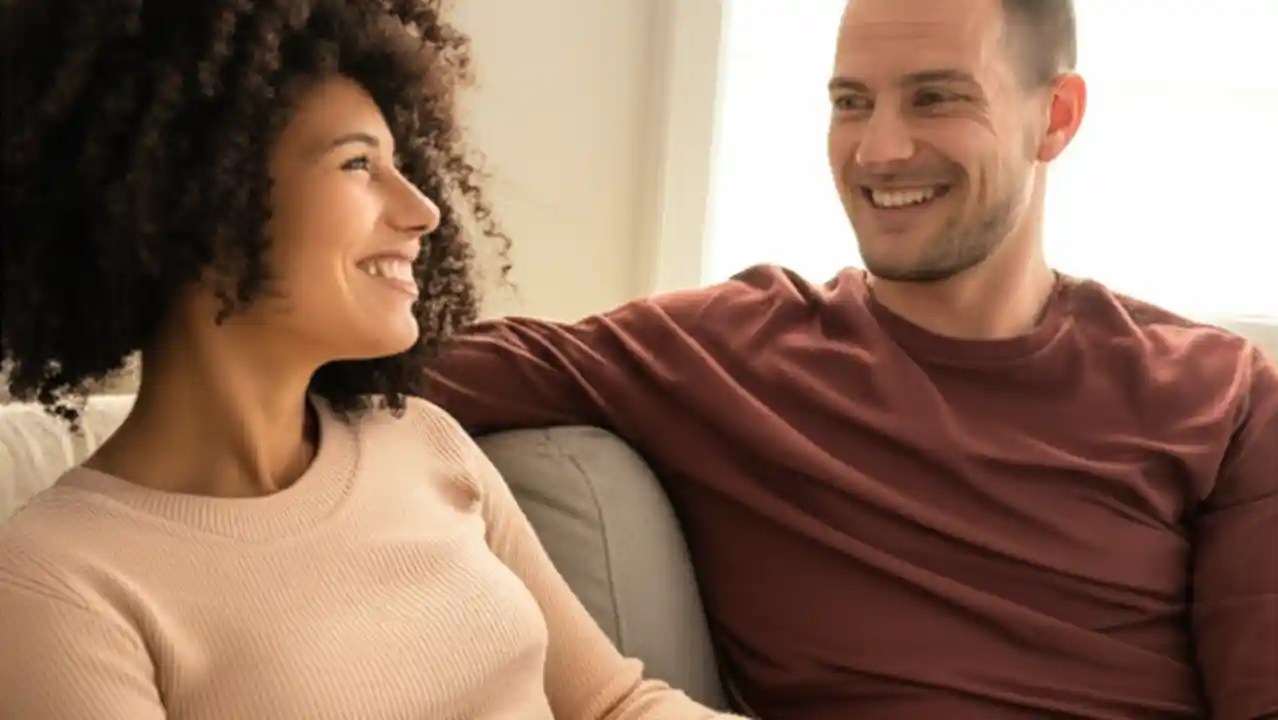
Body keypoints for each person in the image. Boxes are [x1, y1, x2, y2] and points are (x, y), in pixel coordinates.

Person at [423, 0, 1278, 718]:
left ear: (1054, 118)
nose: (877, 151)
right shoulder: (728, 353)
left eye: (937, 98)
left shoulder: (1221, 398)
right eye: (850, 102)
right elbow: (393, 369)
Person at [0, 2, 738, 718]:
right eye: (358, 162)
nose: (423, 210)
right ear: (195, 204)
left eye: (401, 163)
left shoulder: (424, 442)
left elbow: (614, 704)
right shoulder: (54, 582)